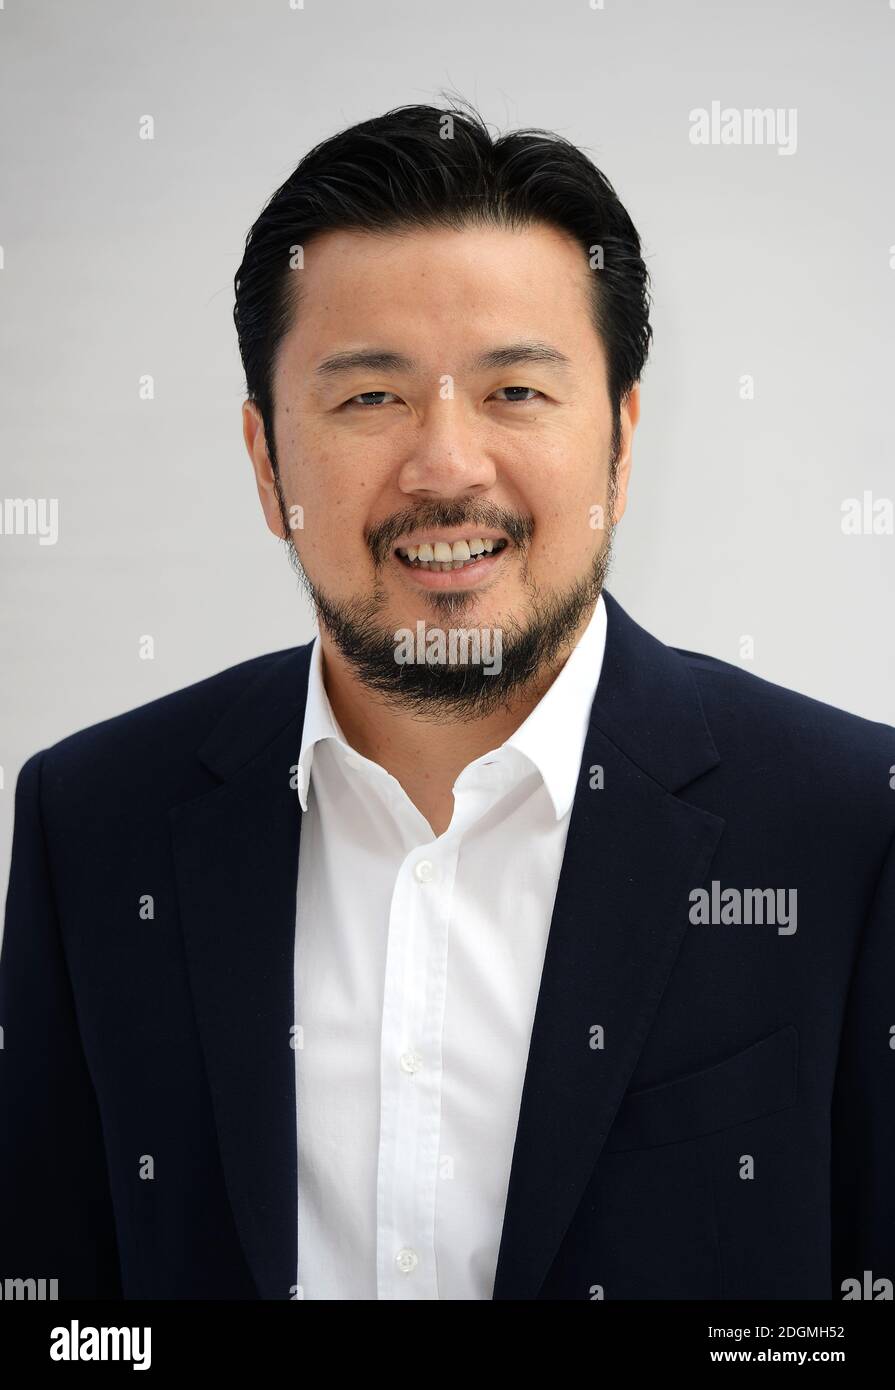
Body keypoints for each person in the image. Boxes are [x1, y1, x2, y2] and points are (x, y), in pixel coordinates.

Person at [1, 100, 893, 1301]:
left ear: (621, 445)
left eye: (515, 391)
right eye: (369, 399)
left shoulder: (849, 826)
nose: (446, 467)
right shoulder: (91, 823)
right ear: (268, 465)